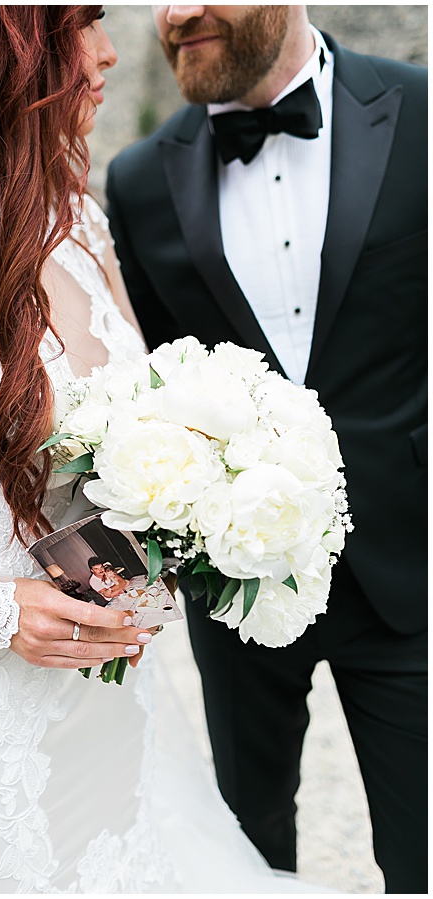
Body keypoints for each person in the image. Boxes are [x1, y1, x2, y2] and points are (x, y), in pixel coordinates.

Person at [0, 6, 325, 892]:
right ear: (1, 44)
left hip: (110, 690)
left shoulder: (78, 216)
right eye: (82, 25)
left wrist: (203, 518)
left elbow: (151, 429)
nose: (108, 52)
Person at [106, 7, 426, 892]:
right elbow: (151, 387)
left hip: (411, 575)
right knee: (245, 858)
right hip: (237, 589)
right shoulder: (135, 180)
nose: (176, 15)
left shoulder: (422, 111)